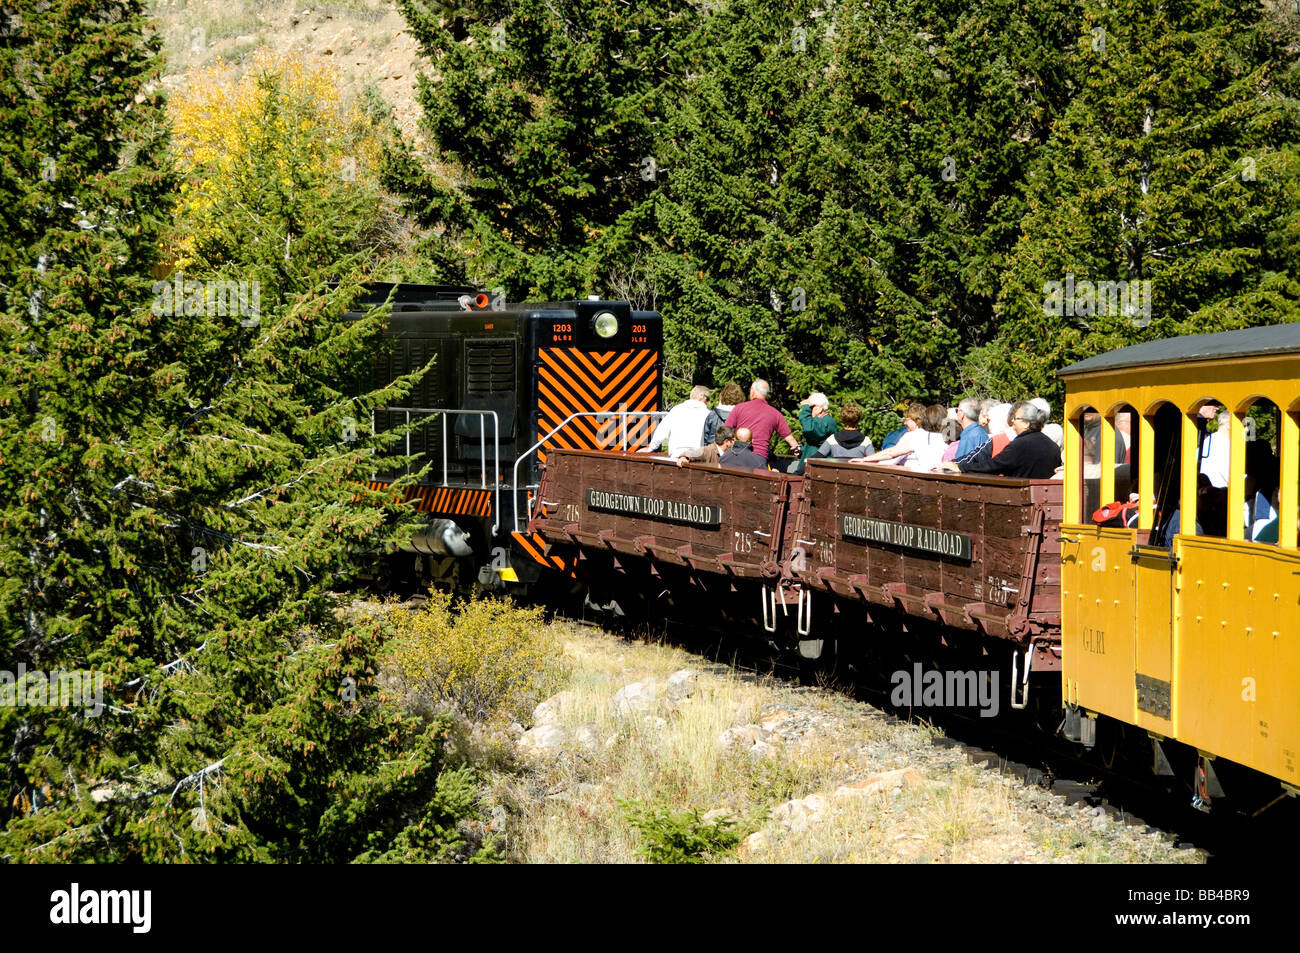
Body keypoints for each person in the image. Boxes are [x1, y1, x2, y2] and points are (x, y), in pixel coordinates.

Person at [940, 404, 1060, 478]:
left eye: (1016, 418)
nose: (1012, 421)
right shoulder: (1052, 446)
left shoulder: (1020, 445)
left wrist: (961, 467)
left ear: (1026, 423)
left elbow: (994, 465)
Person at [724, 379, 800, 462]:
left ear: (752, 392)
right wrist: (798, 450)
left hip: (738, 455)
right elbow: (790, 439)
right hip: (760, 458)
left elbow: (725, 431)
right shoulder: (775, 414)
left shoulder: (739, 408)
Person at [853, 404, 947, 471]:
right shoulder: (943, 437)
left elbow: (891, 455)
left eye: (907, 419)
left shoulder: (914, 436)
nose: (904, 423)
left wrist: (865, 460)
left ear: (918, 420)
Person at [640, 385, 711, 458]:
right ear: (703, 397)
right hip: (698, 456)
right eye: (708, 399)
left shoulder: (676, 409)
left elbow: (662, 430)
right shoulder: (708, 414)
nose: (708, 403)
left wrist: (651, 448)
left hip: (676, 454)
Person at [788, 392, 836, 474]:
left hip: (818, 472)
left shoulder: (826, 421)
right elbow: (815, 446)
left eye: (810, 407)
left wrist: (805, 408)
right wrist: (801, 452)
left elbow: (809, 429)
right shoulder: (819, 422)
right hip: (810, 469)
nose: (808, 410)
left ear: (820, 408)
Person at [702, 381, 745, 446]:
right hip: (734, 452)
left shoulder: (712, 415)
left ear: (722, 395)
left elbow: (705, 438)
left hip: (714, 451)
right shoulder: (742, 416)